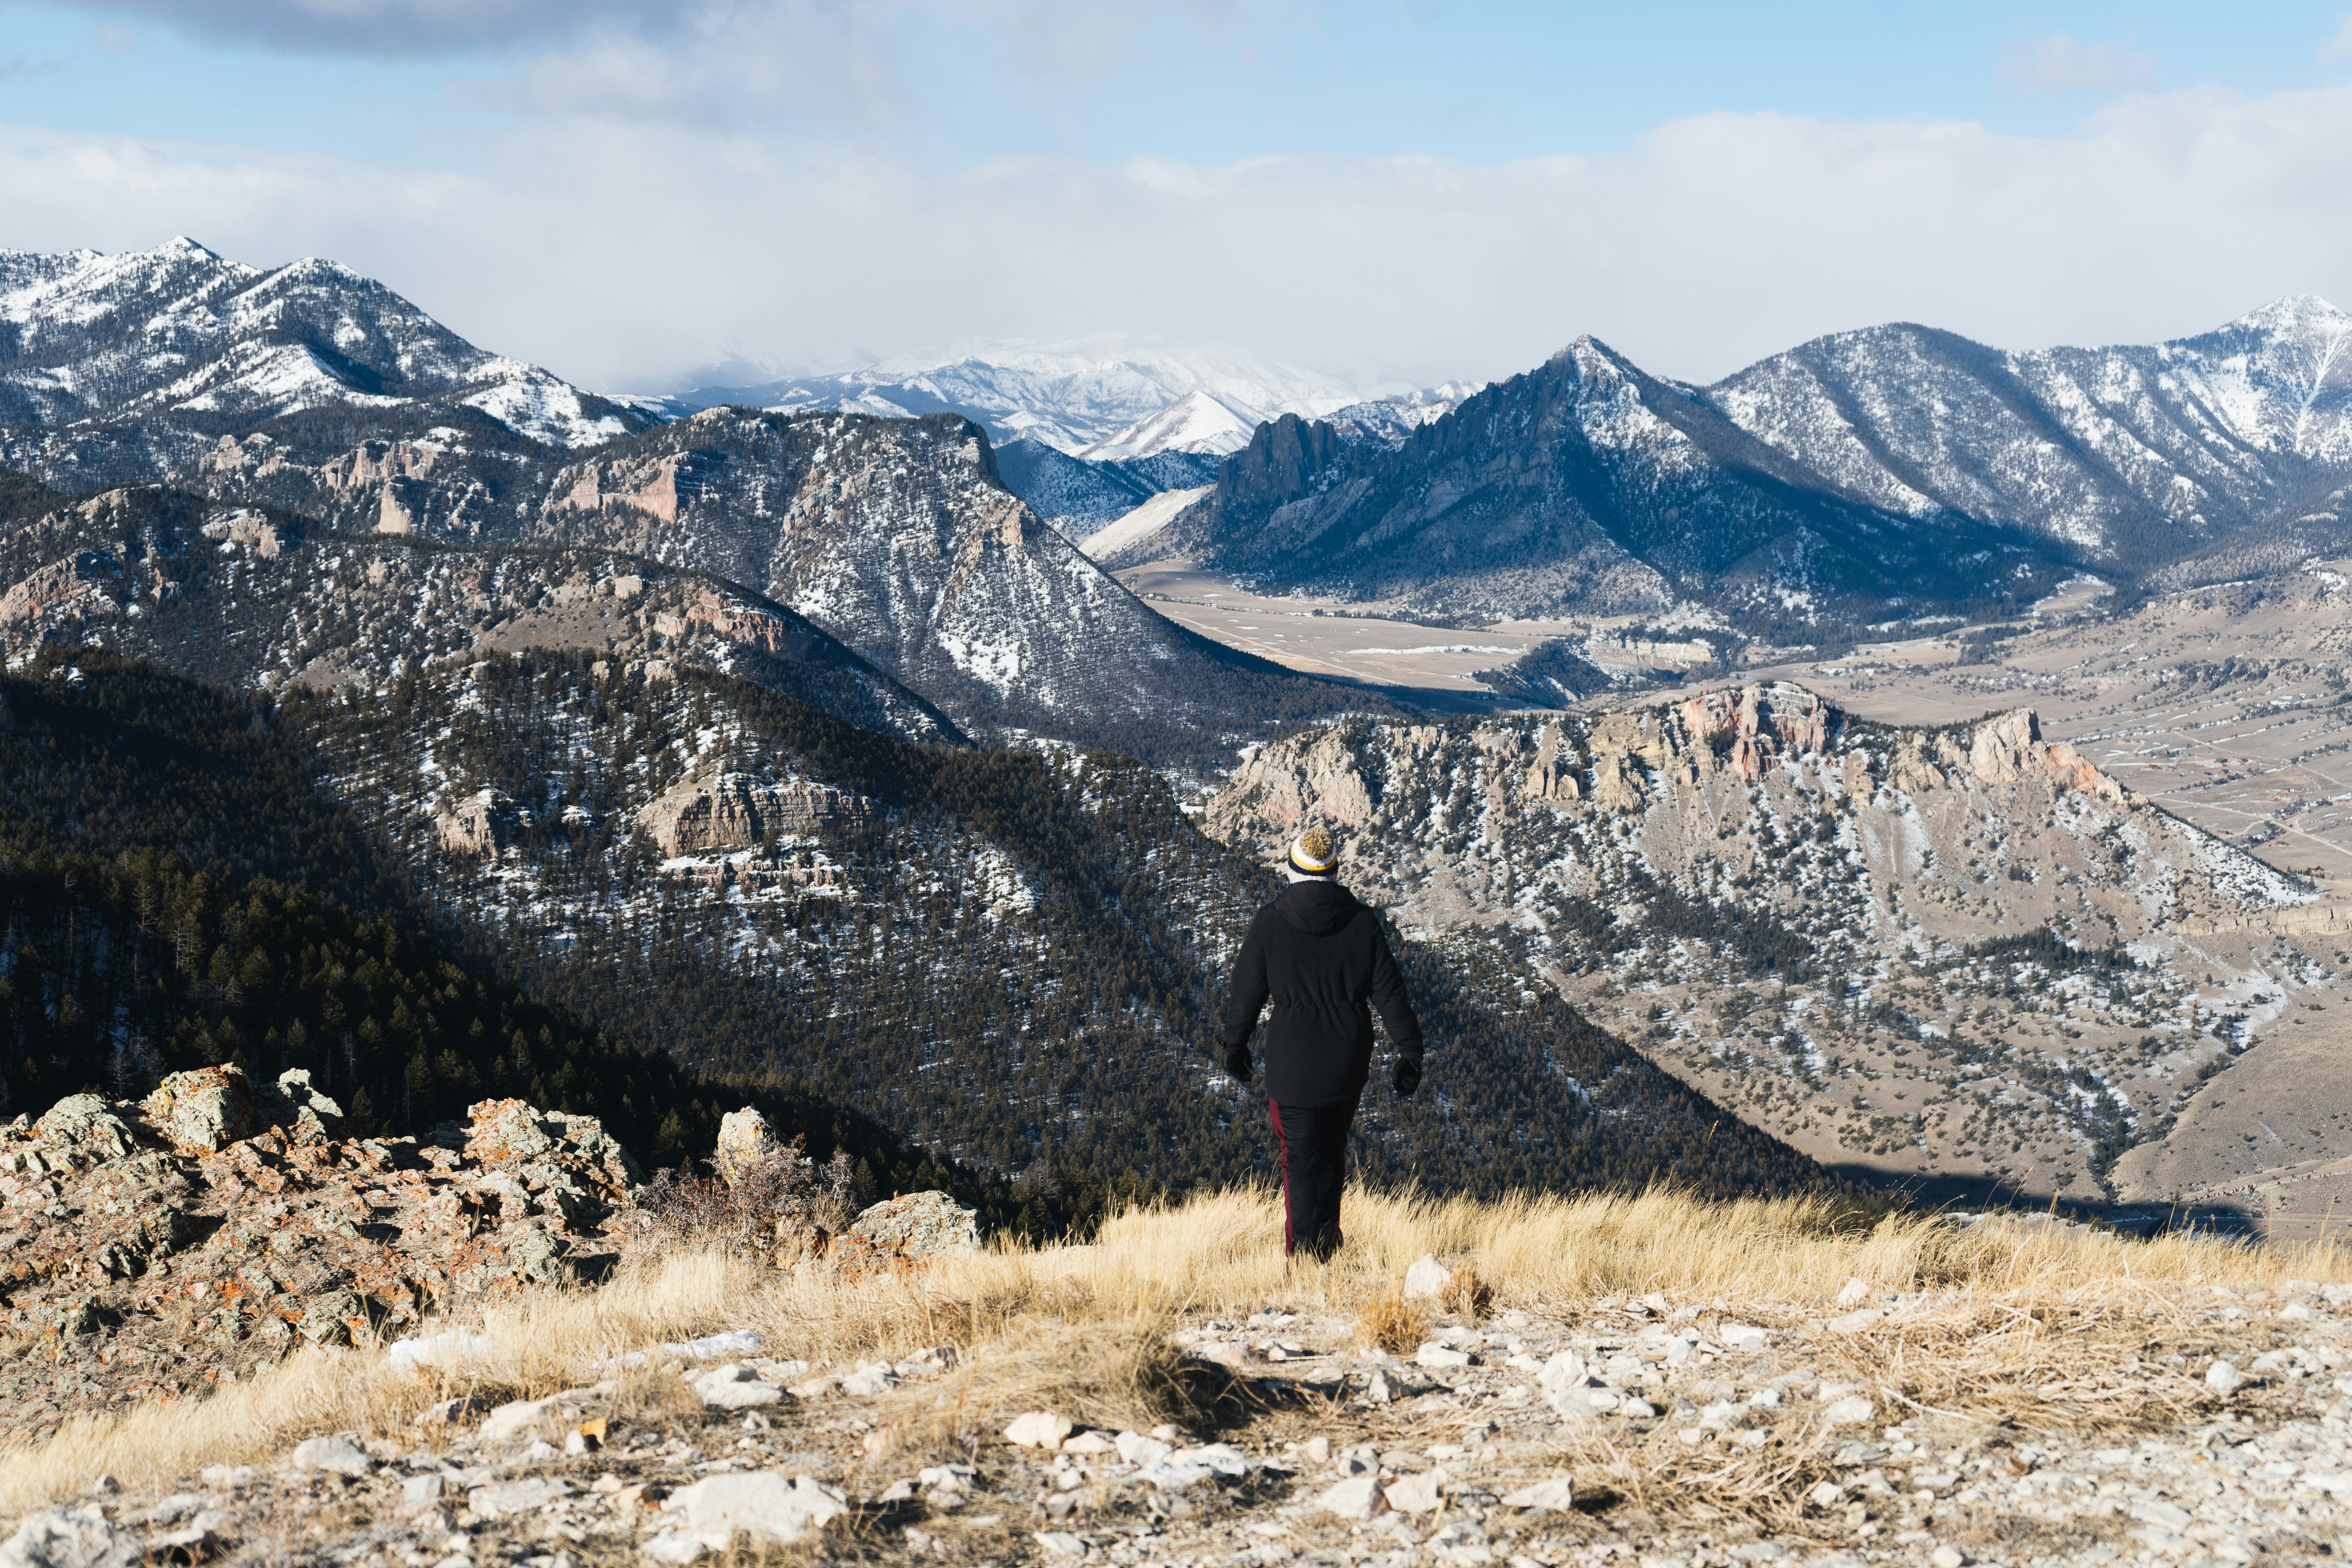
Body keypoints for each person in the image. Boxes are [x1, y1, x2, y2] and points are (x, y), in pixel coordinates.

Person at [1221, 825, 1424, 1261]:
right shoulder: (1362, 923)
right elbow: (1391, 995)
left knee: (1298, 1160)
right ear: (1335, 874)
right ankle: (1326, 1249)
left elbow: (1245, 996)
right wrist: (1411, 1054)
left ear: (1292, 871)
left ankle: (1302, 1259)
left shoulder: (1270, 923)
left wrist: (1234, 1047)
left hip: (1291, 1062)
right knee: (1332, 1150)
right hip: (1346, 1061)